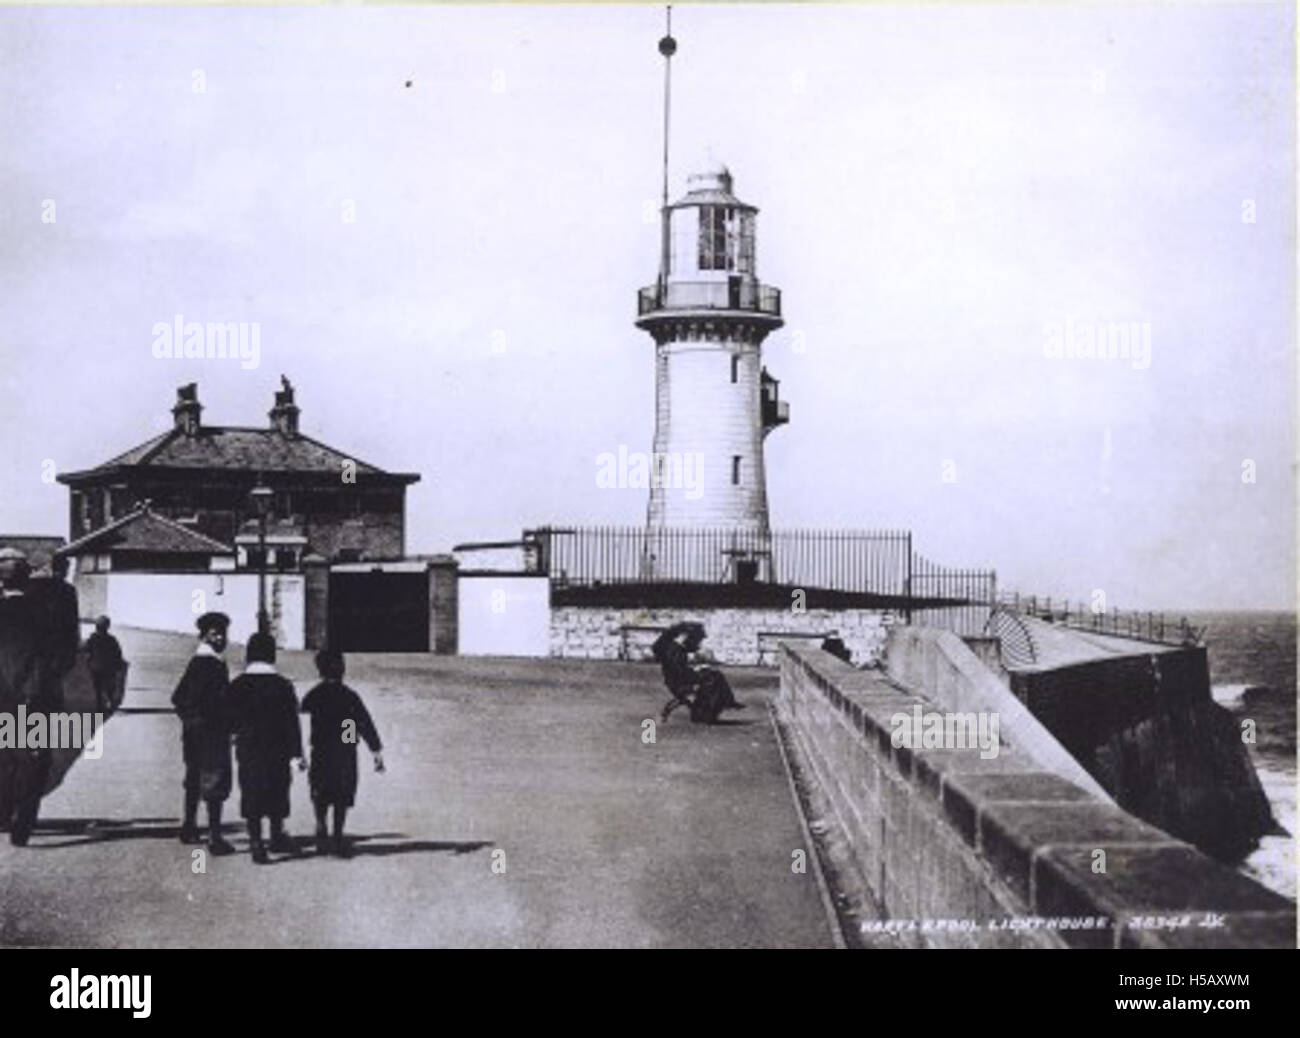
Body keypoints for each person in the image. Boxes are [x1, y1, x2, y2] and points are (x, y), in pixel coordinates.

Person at [301, 649, 384, 858]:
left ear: (319, 670)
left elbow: (302, 709)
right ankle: (338, 836)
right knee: (342, 794)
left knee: (320, 790)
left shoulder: (315, 694)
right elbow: (363, 724)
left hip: (321, 750)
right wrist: (375, 750)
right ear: (343, 670)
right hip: (345, 750)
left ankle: (320, 824)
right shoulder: (350, 696)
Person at [229, 633, 303, 864]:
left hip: (249, 749)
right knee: (278, 790)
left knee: (251, 792)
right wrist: (297, 753)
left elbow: (229, 718)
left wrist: (233, 734)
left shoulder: (238, 685)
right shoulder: (283, 685)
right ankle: (276, 835)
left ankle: (256, 842)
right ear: (272, 655)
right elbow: (292, 722)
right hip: (277, 750)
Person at [0, 548, 58, 846]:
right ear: (26, 578)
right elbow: (57, 657)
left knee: (5, 757)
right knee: (34, 760)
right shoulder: (43, 612)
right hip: (34, 698)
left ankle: (4, 814)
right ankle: (23, 823)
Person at [171, 611, 235, 855]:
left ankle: (189, 827)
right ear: (204, 636)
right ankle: (215, 838)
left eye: (222, 634)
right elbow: (218, 701)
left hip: (194, 733)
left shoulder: (197, 661)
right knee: (215, 783)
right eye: (215, 634)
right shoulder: (211, 664)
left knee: (194, 779)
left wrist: (190, 722)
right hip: (213, 732)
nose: (220, 638)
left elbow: (178, 697)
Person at [651, 621, 743, 725]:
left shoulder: (676, 649)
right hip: (679, 683)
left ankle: (717, 707)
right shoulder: (675, 651)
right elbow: (679, 673)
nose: (697, 643)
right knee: (715, 677)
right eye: (696, 640)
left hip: (677, 681)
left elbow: (680, 669)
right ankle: (712, 710)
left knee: (713, 674)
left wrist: (697, 670)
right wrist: (696, 673)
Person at [85, 616, 125, 713]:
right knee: (109, 687)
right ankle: (110, 704)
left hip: (95, 667)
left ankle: (100, 706)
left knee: (98, 688)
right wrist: (119, 665)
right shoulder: (112, 640)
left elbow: (86, 649)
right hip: (108, 668)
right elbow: (117, 654)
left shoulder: (93, 638)